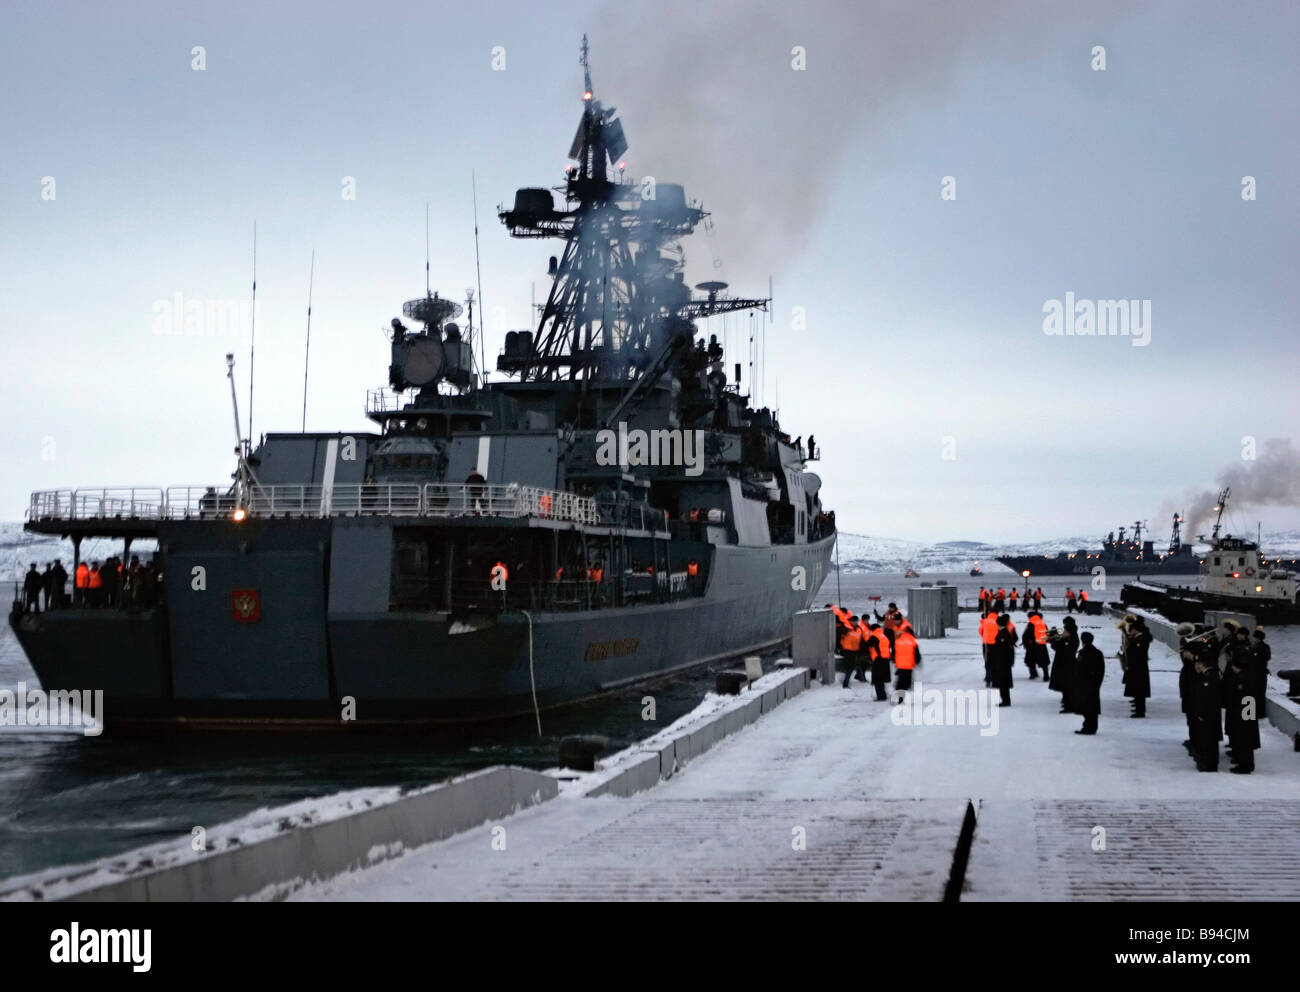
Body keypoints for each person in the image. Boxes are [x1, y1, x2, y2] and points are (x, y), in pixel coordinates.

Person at [1223, 627, 1259, 774]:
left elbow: (1247, 700)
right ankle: (1243, 761)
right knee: (1243, 739)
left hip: (1245, 714)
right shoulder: (1244, 677)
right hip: (1244, 713)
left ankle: (1245, 765)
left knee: (1245, 739)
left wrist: (1244, 718)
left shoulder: (1244, 680)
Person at [1190, 651, 1223, 772]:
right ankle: (1207, 761)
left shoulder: (1210, 678)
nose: (1195, 666)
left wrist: (1202, 714)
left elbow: (1207, 699)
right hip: (1207, 715)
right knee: (1206, 740)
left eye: (1197, 663)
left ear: (1201, 664)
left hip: (1209, 715)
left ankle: (1210, 764)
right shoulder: (1205, 676)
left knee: (1209, 740)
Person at [1074, 631, 1106, 734]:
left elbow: (1079, 668)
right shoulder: (1097, 653)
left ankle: (1088, 727)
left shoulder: (1083, 653)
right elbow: (1101, 670)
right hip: (1093, 683)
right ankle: (1090, 726)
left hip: (1085, 683)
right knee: (1091, 707)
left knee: (1087, 707)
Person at [1048, 616, 1080, 712]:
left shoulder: (1070, 635)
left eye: (1065, 624)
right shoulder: (1068, 633)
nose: (1064, 626)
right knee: (1064, 684)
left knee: (1066, 683)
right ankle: (1067, 701)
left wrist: (1055, 640)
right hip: (1063, 660)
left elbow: (1063, 647)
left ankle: (1069, 703)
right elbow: (1053, 642)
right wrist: (1052, 635)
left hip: (1066, 662)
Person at [1123, 616, 1153, 718]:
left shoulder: (1142, 640)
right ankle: (1138, 708)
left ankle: (1140, 711)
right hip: (1136, 667)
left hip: (1139, 668)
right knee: (1137, 690)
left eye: (1132, 630)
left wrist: (1130, 644)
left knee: (1140, 690)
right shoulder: (1137, 639)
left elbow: (1138, 653)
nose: (1130, 632)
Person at [990, 614, 1016, 706]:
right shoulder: (1003, 632)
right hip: (1003, 661)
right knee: (1003, 682)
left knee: (1003, 682)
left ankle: (1006, 700)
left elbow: (1004, 648)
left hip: (1003, 662)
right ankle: (1005, 699)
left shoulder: (1003, 634)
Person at [866, 622, 892, 700]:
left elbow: (867, 645)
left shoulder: (874, 636)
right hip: (886, 659)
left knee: (877, 679)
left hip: (878, 660)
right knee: (882, 679)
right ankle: (883, 695)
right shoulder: (884, 636)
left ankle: (881, 696)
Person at [893, 624, 920, 692]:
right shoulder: (913, 642)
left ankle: (898, 694)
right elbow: (917, 654)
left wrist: (894, 661)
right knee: (906, 682)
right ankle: (902, 695)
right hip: (909, 665)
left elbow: (893, 653)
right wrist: (917, 661)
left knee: (900, 681)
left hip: (900, 665)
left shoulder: (898, 641)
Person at [1023, 611, 1050, 679]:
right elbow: (1047, 632)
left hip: (1033, 644)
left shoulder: (1031, 623)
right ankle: (1046, 675)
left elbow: (1028, 633)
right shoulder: (1042, 623)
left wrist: (1026, 642)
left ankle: (1033, 674)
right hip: (1042, 643)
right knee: (1043, 661)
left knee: (1031, 660)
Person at [838, 615, 863, 689]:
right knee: (850, 667)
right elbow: (841, 632)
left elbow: (861, 639)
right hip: (848, 650)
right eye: (853, 621)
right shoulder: (846, 628)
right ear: (850, 621)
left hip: (856, 650)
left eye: (856, 621)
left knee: (858, 664)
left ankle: (861, 678)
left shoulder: (859, 629)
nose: (855, 622)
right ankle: (846, 683)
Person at [980, 610, 999, 686]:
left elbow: (981, 631)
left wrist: (985, 637)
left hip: (986, 644)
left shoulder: (985, 621)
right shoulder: (998, 620)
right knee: (996, 661)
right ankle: (995, 678)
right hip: (996, 644)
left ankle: (988, 677)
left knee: (987, 661)